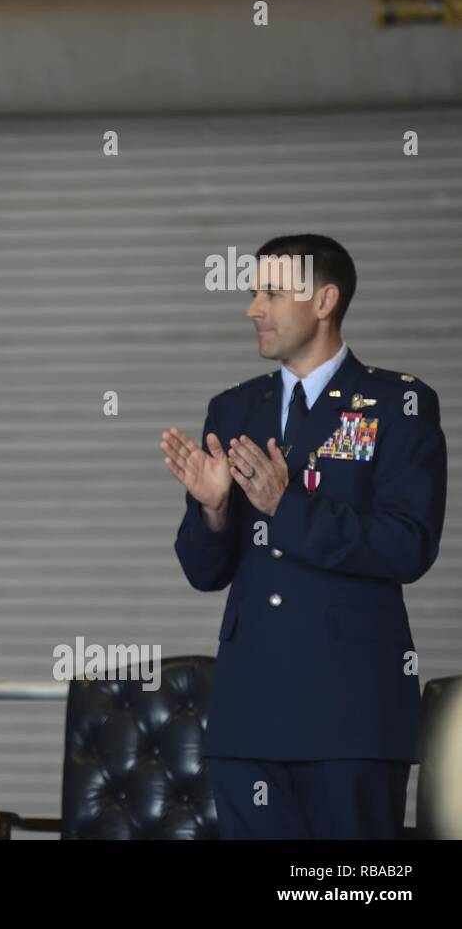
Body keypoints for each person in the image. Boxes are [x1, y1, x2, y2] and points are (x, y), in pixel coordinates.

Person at [161, 234, 447, 838]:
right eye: (252, 291)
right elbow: (203, 572)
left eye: (270, 291)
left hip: (351, 715)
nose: (252, 308)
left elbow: (408, 543)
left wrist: (285, 507)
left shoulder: (398, 404)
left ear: (324, 301)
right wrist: (212, 511)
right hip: (249, 717)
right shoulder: (234, 409)